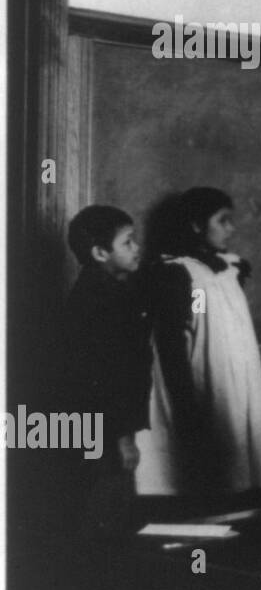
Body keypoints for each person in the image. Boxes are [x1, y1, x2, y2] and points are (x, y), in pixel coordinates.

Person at [138, 187, 261, 498]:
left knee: (241, 462)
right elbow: (181, 336)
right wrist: (189, 405)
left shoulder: (227, 270)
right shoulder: (176, 272)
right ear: (196, 225)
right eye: (222, 220)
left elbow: (207, 311)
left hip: (236, 380)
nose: (231, 228)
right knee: (209, 473)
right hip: (206, 378)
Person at [62, 205, 153, 534]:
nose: (137, 248)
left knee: (111, 515)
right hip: (103, 434)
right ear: (100, 252)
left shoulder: (113, 293)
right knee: (106, 519)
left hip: (103, 431)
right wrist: (122, 438)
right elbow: (104, 379)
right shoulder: (99, 302)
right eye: (128, 242)